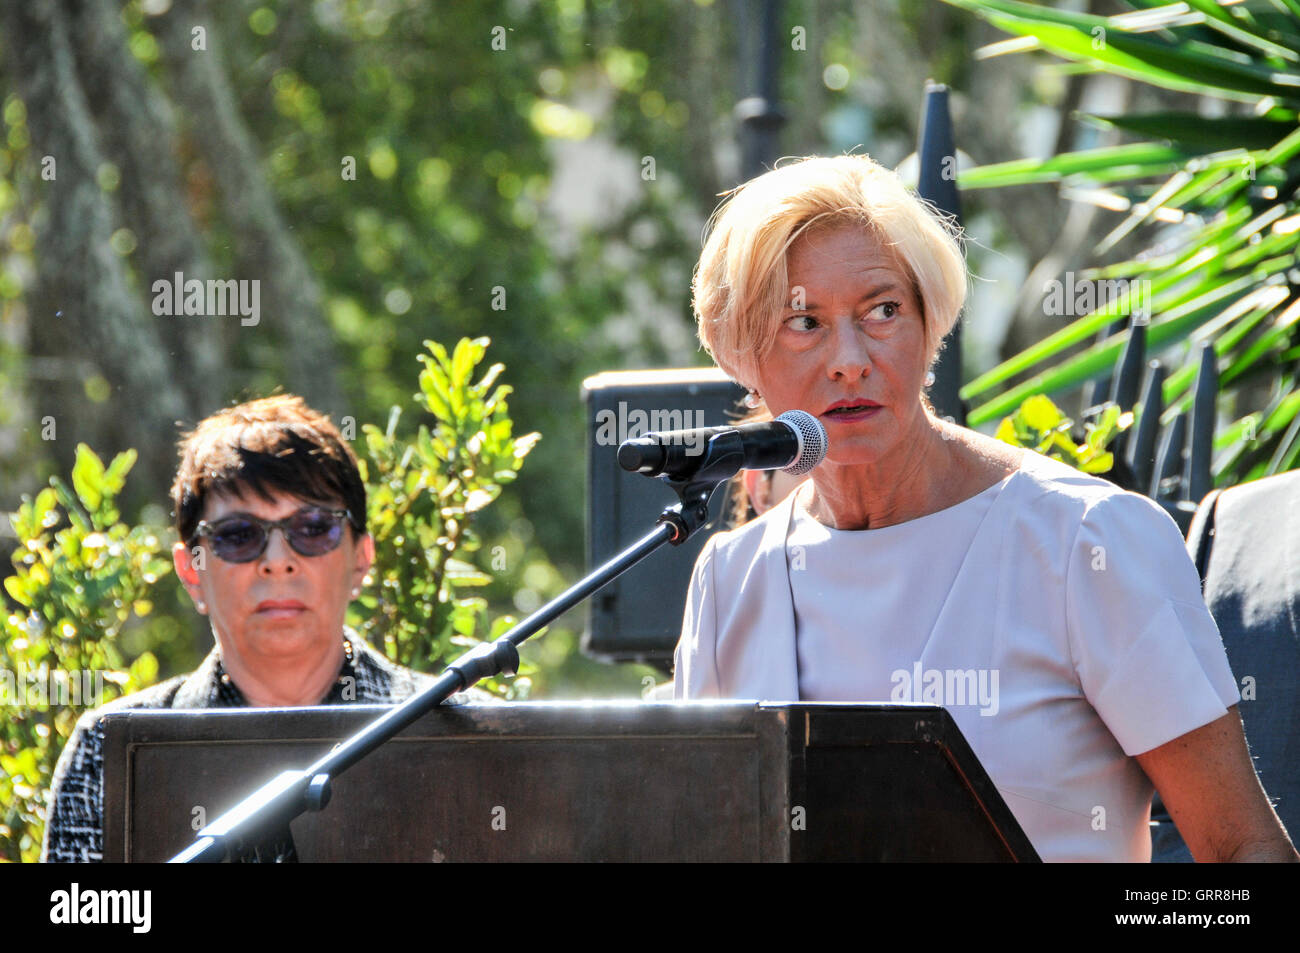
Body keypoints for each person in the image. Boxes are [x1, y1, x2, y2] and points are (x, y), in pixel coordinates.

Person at [673, 154, 1298, 862]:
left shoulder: (1085, 542)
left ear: (928, 325)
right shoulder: (730, 582)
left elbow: (1246, 851)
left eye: (883, 311)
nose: (849, 358)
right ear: (742, 352)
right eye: (804, 321)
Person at [42, 395, 469, 863]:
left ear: (361, 559)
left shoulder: (475, 735)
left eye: (312, 528)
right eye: (239, 535)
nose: (277, 562)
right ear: (191, 572)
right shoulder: (109, 753)